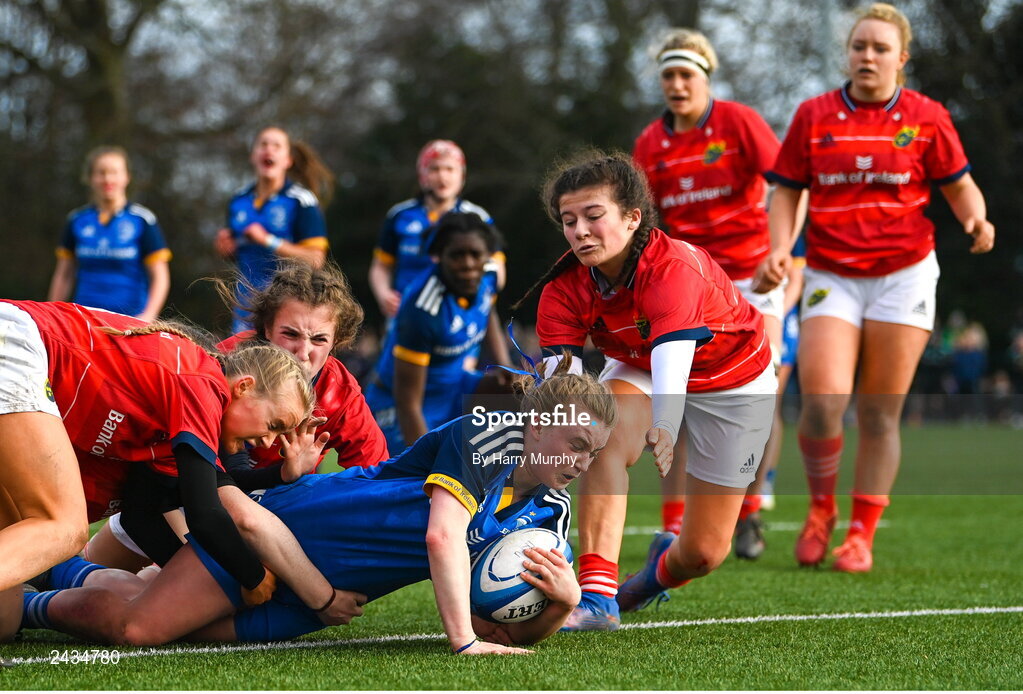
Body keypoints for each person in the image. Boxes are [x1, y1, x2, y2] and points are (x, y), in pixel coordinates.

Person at [22, 364, 616, 655]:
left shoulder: (549, 515)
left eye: (596, 451)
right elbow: (442, 538)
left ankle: (61, 574)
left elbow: (501, 630)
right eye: (578, 443)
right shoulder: (491, 434)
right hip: (293, 533)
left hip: (331, 599)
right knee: (141, 626)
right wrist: (460, 642)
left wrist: (559, 604)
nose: (586, 462)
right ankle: (33, 600)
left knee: (174, 626)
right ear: (539, 424)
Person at [755, 3, 995, 572]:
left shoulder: (927, 116)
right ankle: (820, 511)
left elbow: (960, 185)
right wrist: (781, 249)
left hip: (904, 274)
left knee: (880, 412)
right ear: (849, 53)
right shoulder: (814, 116)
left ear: (901, 59)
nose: (867, 55)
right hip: (832, 274)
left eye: (880, 48)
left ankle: (860, 534)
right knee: (822, 404)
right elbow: (786, 190)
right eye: (859, 45)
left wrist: (976, 220)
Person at [515, 150, 776, 631]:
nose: (580, 231)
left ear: (633, 218)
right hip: (642, 366)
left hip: (734, 383)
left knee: (701, 554)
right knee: (591, 431)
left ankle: (645, 582)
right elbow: (559, 390)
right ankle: (596, 598)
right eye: (569, 221)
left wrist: (664, 425)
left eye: (594, 216)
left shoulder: (672, 270)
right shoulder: (562, 287)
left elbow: (673, 364)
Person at [0, 299, 313, 640]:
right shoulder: (202, 380)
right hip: (17, 340)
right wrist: (252, 577)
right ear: (244, 387)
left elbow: (140, 517)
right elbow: (205, 512)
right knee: (63, 527)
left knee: (4, 621)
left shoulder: (169, 438)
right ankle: (57, 572)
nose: (270, 442)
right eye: (275, 424)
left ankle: (44, 584)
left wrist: (197, 586)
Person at [82, 260, 390, 572]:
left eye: (319, 339)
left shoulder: (342, 393)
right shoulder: (228, 364)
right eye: (290, 334)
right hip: (186, 498)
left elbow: (378, 481)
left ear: (336, 341)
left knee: (180, 593)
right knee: (87, 572)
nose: (303, 351)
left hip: (272, 514)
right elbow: (212, 481)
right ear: (267, 329)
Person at [633, 28, 806, 559]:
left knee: (759, 392)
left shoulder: (738, 123)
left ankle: (749, 511)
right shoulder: (649, 144)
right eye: (668, 75)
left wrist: (782, 252)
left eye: (687, 75)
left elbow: (790, 185)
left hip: (754, 277)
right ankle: (672, 524)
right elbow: (642, 223)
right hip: (687, 281)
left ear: (706, 78)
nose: (677, 84)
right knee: (677, 397)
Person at [366, 212, 511, 455]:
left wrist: (505, 366)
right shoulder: (421, 308)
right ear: (438, 257)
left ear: (487, 256)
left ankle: (519, 485)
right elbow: (408, 402)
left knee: (516, 390)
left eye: (475, 254)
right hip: (403, 404)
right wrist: (431, 467)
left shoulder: (487, 277)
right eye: (457, 255)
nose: (467, 264)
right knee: (424, 482)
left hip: (455, 387)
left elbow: (488, 312)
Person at [213, 126, 332, 332]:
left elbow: (315, 260)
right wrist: (226, 249)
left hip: (288, 306)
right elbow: (239, 254)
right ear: (253, 156)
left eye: (277, 146)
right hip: (246, 306)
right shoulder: (238, 201)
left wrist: (268, 240)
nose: (269, 150)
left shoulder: (300, 201)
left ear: (288, 160)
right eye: (263, 145)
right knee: (242, 364)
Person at [368, 140, 503, 319]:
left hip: (460, 316)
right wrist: (384, 294)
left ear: (462, 175)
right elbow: (380, 267)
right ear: (422, 175)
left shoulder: (478, 217)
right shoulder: (400, 215)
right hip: (407, 314)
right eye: (434, 169)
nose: (442, 177)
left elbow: (497, 267)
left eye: (449, 169)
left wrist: (482, 299)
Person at [47, 146, 171, 321]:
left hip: (130, 322)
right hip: (84, 320)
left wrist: (149, 316)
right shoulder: (77, 220)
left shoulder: (143, 220)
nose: (108, 179)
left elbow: (160, 275)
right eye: (101, 172)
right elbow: (64, 274)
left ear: (126, 177)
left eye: (114, 172)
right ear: (90, 178)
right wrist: (52, 314)